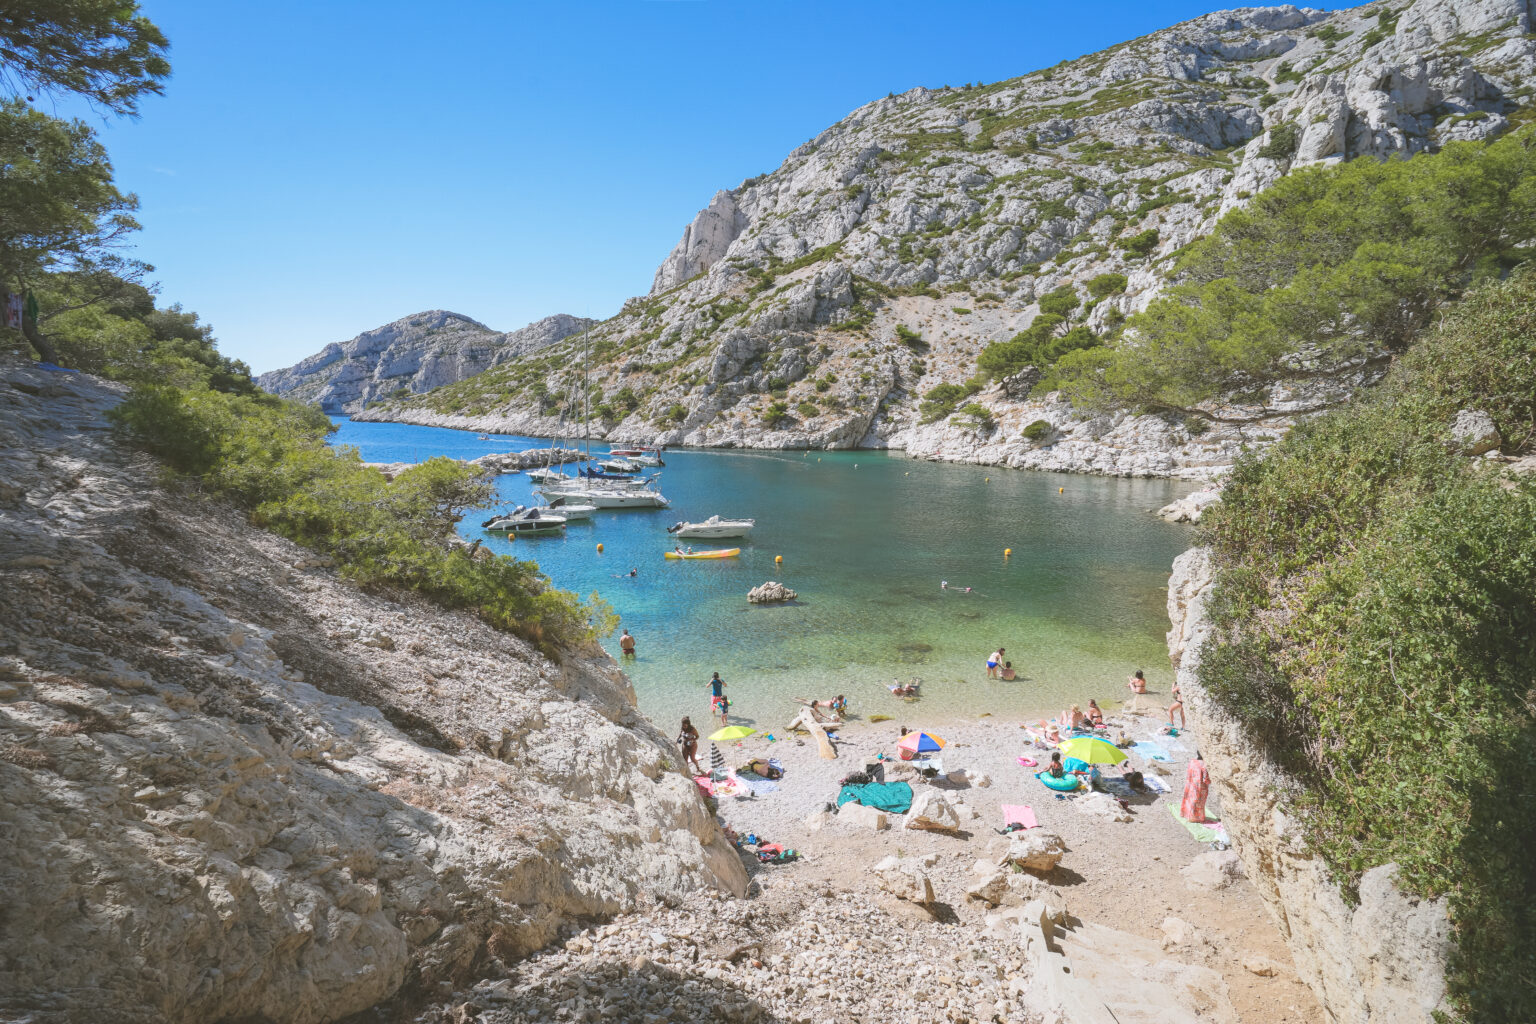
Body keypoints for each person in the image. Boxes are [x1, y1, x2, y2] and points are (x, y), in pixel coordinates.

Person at [1181, 750, 1210, 823]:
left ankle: (1187, 814)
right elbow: (1206, 779)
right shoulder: (1204, 765)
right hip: (1200, 787)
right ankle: (1195, 818)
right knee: (1198, 802)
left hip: (1190, 784)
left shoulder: (1192, 762)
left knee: (1190, 799)